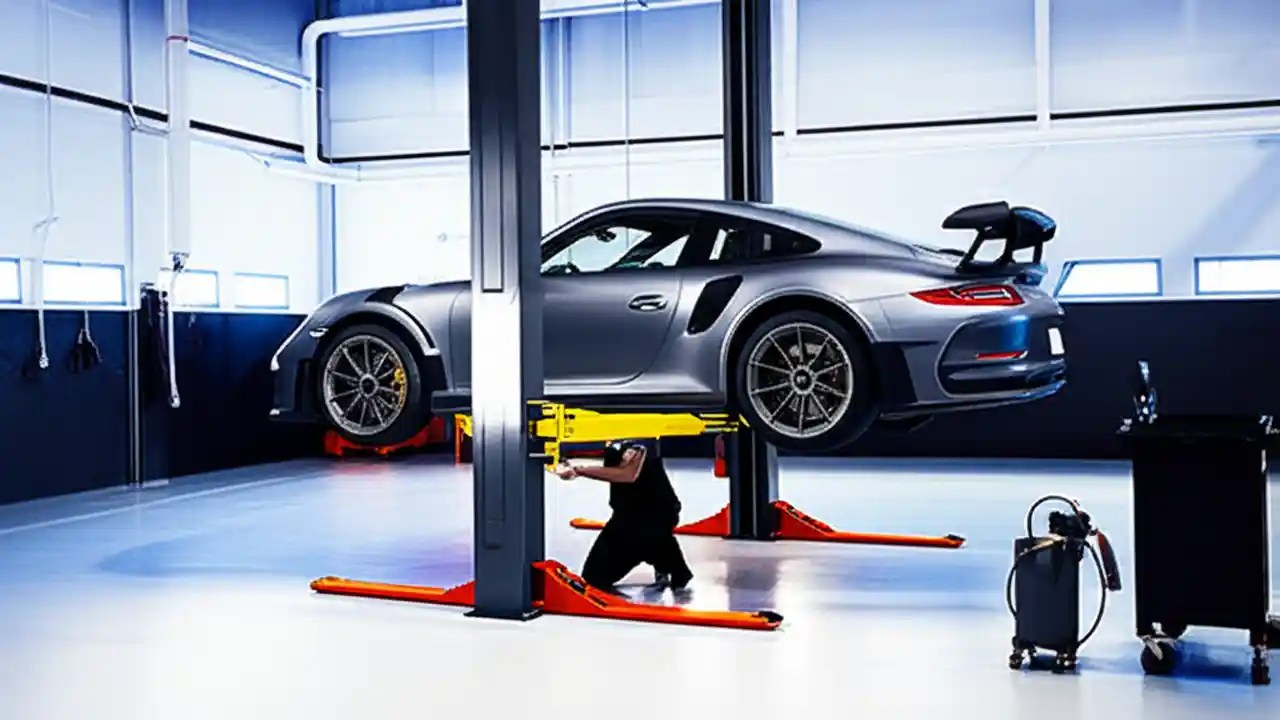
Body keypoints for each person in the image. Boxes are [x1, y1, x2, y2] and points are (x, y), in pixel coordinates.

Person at [556, 438, 694, 592]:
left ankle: (670, 562)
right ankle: (673, 565)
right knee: (594, 574)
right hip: (629, 514)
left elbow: (628, 474)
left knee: (595, 579)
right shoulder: (611, 434)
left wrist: (580, 470)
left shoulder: (639, 437)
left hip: (648, 516)